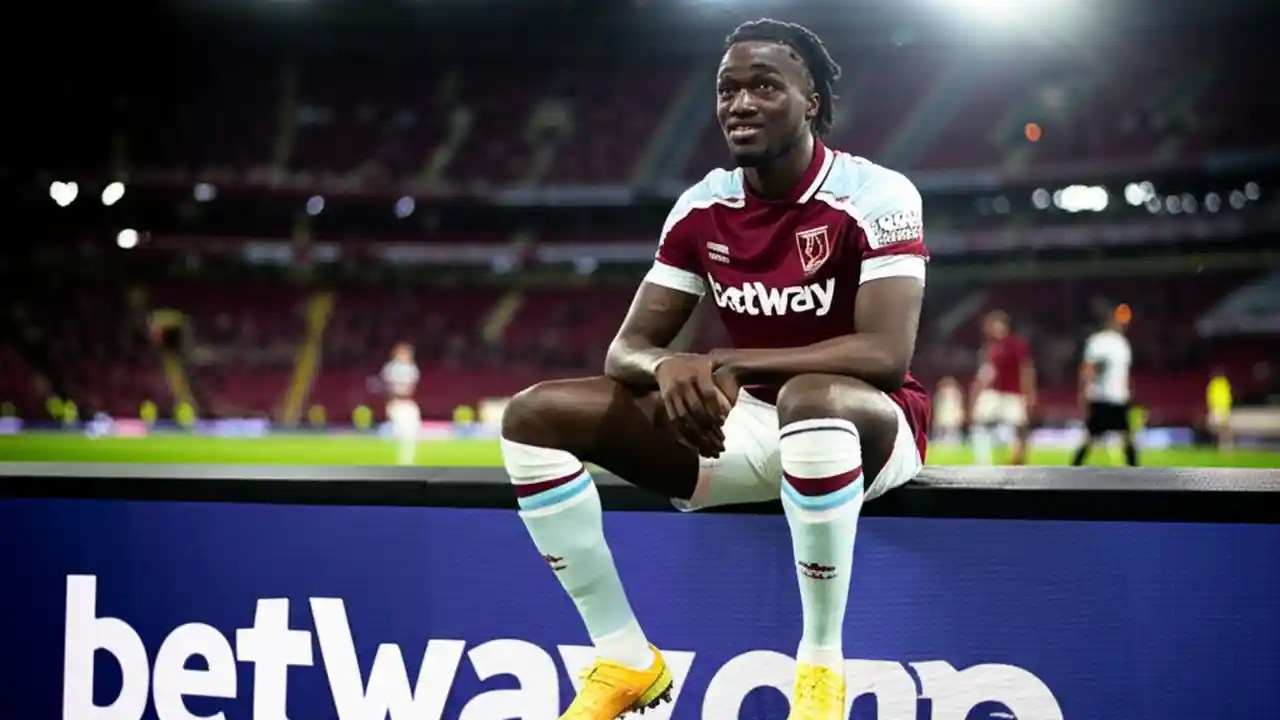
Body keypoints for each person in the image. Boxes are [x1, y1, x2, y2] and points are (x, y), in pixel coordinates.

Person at [499, 18, 930, 720]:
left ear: (812, 99)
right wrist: (669, 367)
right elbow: (627, 350)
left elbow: (886, 355)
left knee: (811, 397)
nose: (740, 103)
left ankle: (820, 672)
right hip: (751, 423)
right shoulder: (702, 206)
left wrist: (729, 359)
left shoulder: (877, 195)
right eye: (727, 89)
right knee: (531, 417)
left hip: (867, 428)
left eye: (765, 85)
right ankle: (624, 657)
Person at [969, 311, 1036, 465]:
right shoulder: (989, 348)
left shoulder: (1017, 345)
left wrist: (1029, 393)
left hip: (1013, 394)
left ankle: (1017, 462)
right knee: (979, 424)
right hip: (994, 394)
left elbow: (1026, 370)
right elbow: (985, 374)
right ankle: (983, 462)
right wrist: (976, 394)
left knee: (1021, 429)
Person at [1072, 305, 1136, 466]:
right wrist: (1085, 392)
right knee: (1091, 437)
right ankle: (1073, 468)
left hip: (1118, 397)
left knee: (1125, 436)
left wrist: (1128, 392)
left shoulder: (1122, 343)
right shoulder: (1099, 342)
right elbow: (1088, 369)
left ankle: (1136, 471)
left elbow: (1124, 373)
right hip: (1101, 396)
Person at [380, 342, 421, 466]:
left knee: (412, 432)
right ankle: (400, 460)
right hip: (396, 403)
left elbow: (411, 388)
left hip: (408, 402)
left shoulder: (412, 368)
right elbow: (387, 387)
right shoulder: (390, 368)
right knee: (399, 432)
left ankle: (407, 460)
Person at [1206, 368, 1234, 450]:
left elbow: (1225, 396)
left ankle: (1224, 445)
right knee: (1222, 428)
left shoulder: (1219, 383)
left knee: (1225, 428)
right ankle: (1222, 445)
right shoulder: (1218, 383)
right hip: (1221, 408)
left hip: (1221, 408)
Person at [933, 376, 965, 446]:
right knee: (942, 435)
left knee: (953, 435)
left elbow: (959, 407)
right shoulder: (939, 395)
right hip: (943, 419)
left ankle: (954, 445)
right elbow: (938, 409)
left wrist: (959, 417)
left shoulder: (956, 394)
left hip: (952, 419)